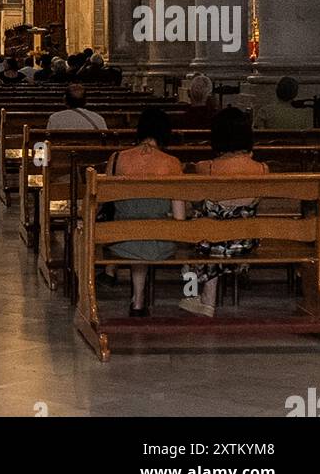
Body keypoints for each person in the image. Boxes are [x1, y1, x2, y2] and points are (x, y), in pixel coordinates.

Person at [179, 107, 269, 318]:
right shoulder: (262, 169)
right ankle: (206, 299)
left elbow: (195, 200)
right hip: (244, 242)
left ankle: (192, 294)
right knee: (216, 234)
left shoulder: (206, 167)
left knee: (189, 248)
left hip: (210, 243)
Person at [107, 108, 186, 316]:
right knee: (150, 233)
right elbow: (180, 217)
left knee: (136, 232)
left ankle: (138, 299)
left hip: (120, 237)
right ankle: (191, 292)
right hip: (160, 239)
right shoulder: (172, 163)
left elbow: (106, 201)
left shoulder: (116, 159)